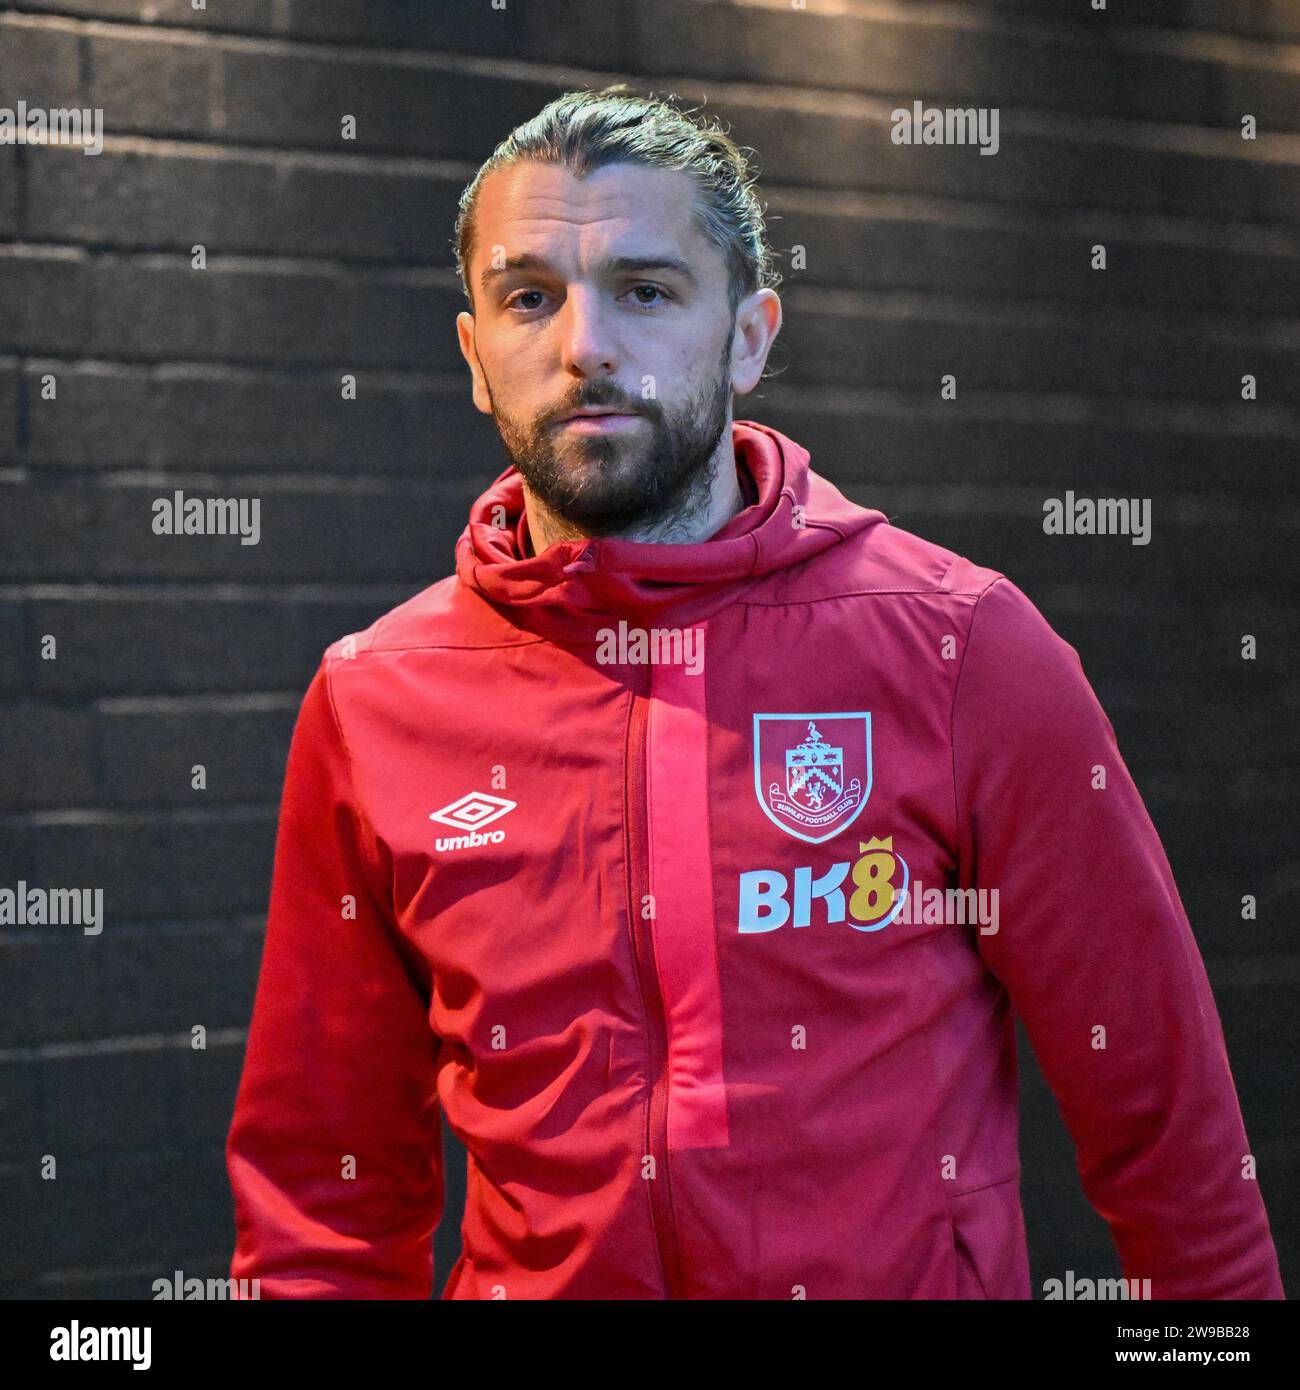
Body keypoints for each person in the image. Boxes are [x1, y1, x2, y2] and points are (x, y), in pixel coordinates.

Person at [225, 86, 1284, 1300]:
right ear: (474, 355)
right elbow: (325, 1186)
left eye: (646, 290)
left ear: (748, 335)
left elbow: (1162, 1113)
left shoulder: (959, 646)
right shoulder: (379, 700)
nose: (584, 347)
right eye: (530, 297)